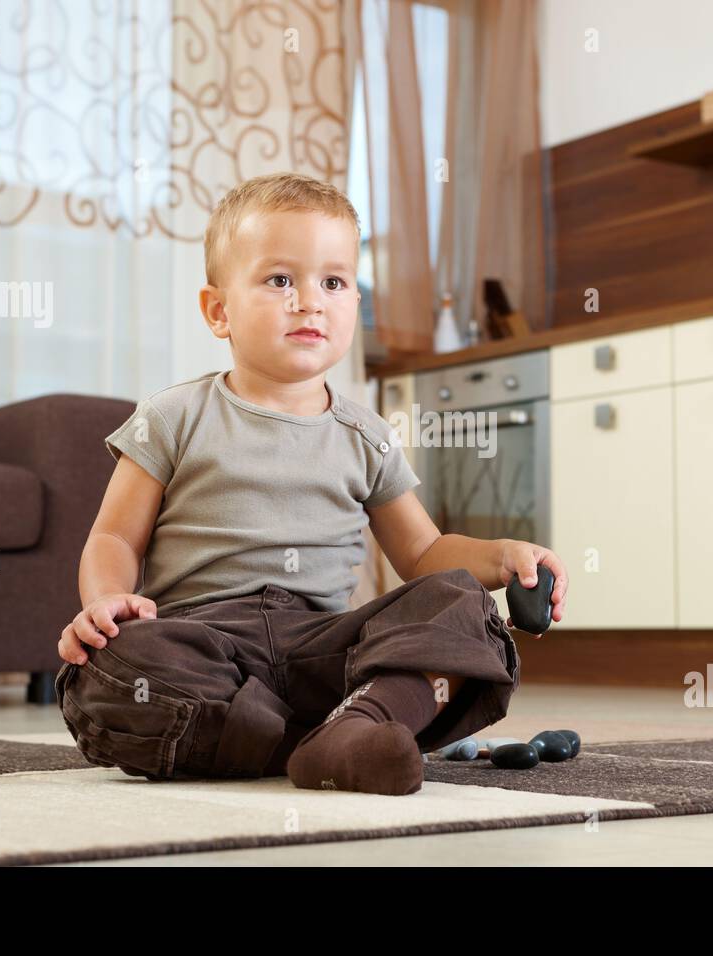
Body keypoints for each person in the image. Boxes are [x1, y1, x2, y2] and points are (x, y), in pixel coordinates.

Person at [54, 171, 568, 795]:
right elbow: (114, 536)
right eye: (279, 280)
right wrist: (107, 600)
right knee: (112, 665)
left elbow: (425, 556)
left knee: (462, 605)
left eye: (334, 281)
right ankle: (341, 732)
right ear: (219, 310)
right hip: (208, 646)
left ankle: (344, 724)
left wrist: (500, 556)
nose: (309, 300)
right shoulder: (173, 417)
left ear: (354, 301)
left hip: (324, 649)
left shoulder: (366, 435)